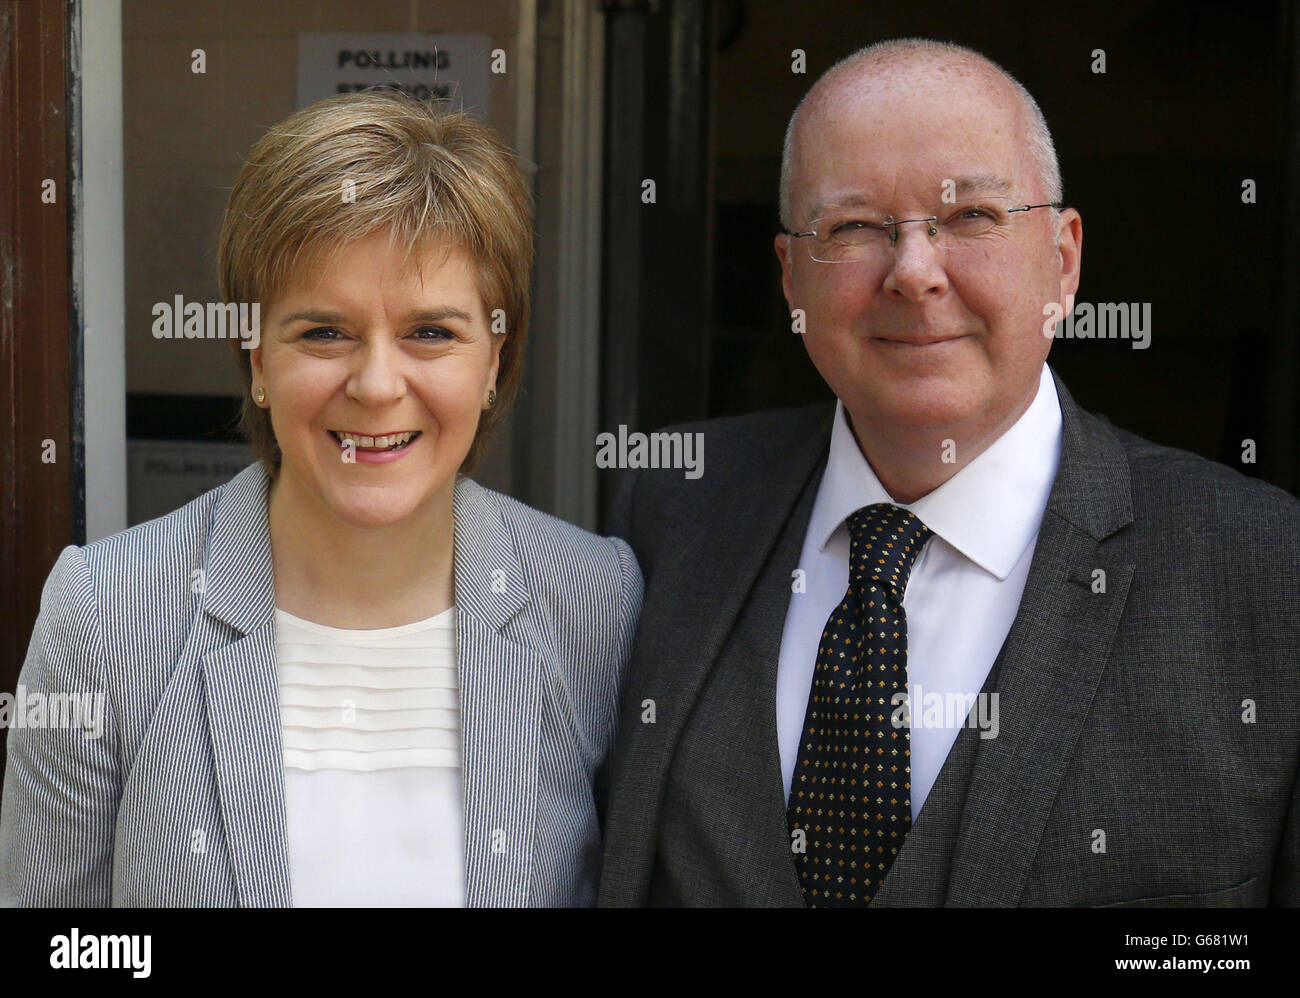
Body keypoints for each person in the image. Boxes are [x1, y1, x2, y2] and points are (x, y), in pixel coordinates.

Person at [597, 38, 1300, 907]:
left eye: (971, 217)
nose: (915, 273)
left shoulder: (1268, 573)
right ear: (789, 278)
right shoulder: (672, 510)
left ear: (1065, 258)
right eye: (853, 227)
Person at [0, 89, 641, 907]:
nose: (377, 385)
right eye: (324, 332)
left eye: (432, 332)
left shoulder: (599, 604)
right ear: (257, 359)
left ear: (493, 361)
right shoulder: (104, 615)